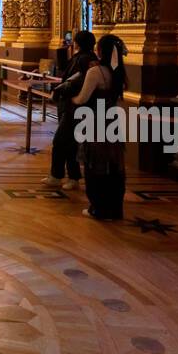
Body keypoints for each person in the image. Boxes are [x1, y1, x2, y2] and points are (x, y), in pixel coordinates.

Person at [73, 34, 128, 221]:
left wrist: (70, 98)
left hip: (96, 121)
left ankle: (98, 207)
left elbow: (83, 98)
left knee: (94, 164)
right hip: (112, 120)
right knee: (113, 165)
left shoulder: (96, 72)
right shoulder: (119, 72)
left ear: (101, 51)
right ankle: (115, 207)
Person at [41, 30, 97, 191]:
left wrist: (60, 90)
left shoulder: (83, 59)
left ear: (77, 43)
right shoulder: (87, 59)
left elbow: (74, 81)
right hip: (74, 107)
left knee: (60, 141)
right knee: (70, 143)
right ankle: (72, 177)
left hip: (74, 107)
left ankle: (57, 176)